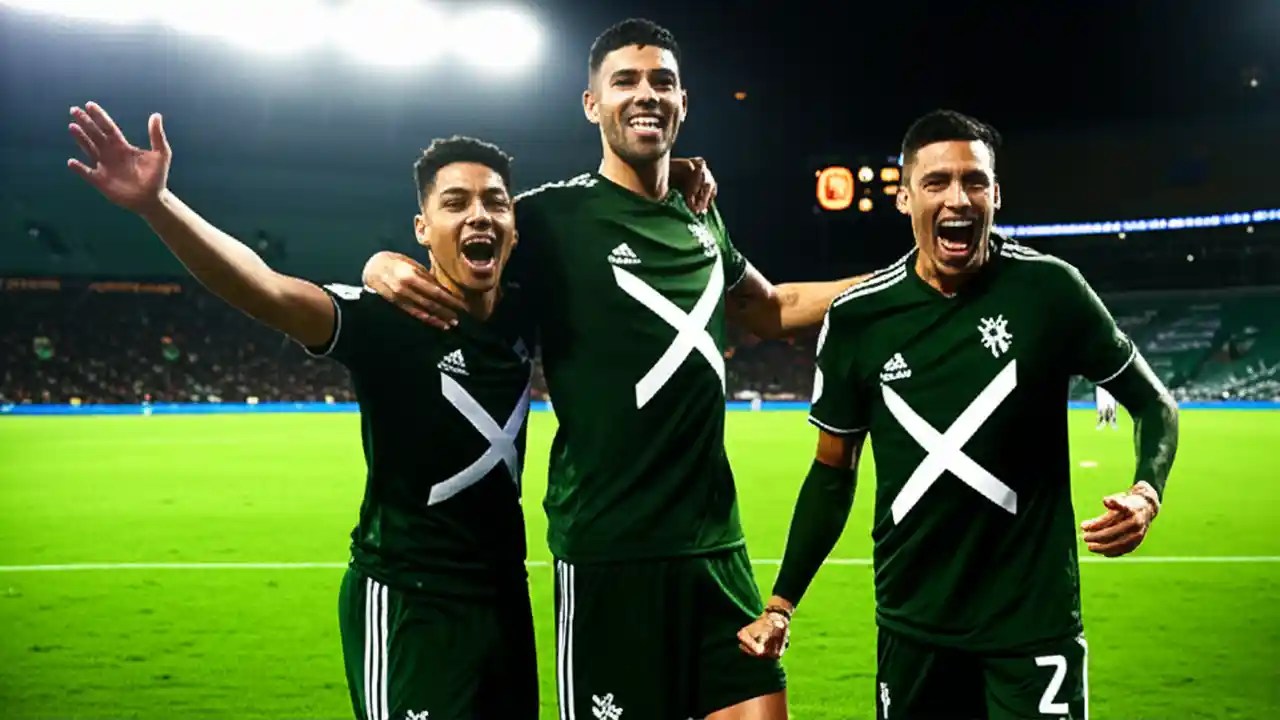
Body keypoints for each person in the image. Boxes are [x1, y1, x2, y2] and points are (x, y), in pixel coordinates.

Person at [361, 18, 868, 720]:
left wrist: (902, 279)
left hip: (715, 551)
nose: (645, 94)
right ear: (591, 104)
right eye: (624, 81)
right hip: (608, 556)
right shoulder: (547, 220)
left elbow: (770, 307)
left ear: (684, 103)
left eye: (662, 81)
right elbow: (463, 253)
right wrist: (380, 264)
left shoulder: (701, 217)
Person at [66, 102, 540, 719]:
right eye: (454, 203)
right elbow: (265, 288)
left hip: (506, 600)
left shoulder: (528, 311)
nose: (478, 214)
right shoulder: (389, 320)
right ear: (421, 228)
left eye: (495, 202)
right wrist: (159, 204)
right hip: (408, 602)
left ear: (514, 225)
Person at [738, 109, 1179, 719]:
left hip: (1033, 628)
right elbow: (831, 474)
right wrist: (782, 602)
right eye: (937, 181)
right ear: (905, 196)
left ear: (996, 195)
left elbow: (1153, 402)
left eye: (974, 181)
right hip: (913, 628)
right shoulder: (858, 318)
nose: (958, 198)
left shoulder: (1051, 291)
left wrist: (1145, 493)